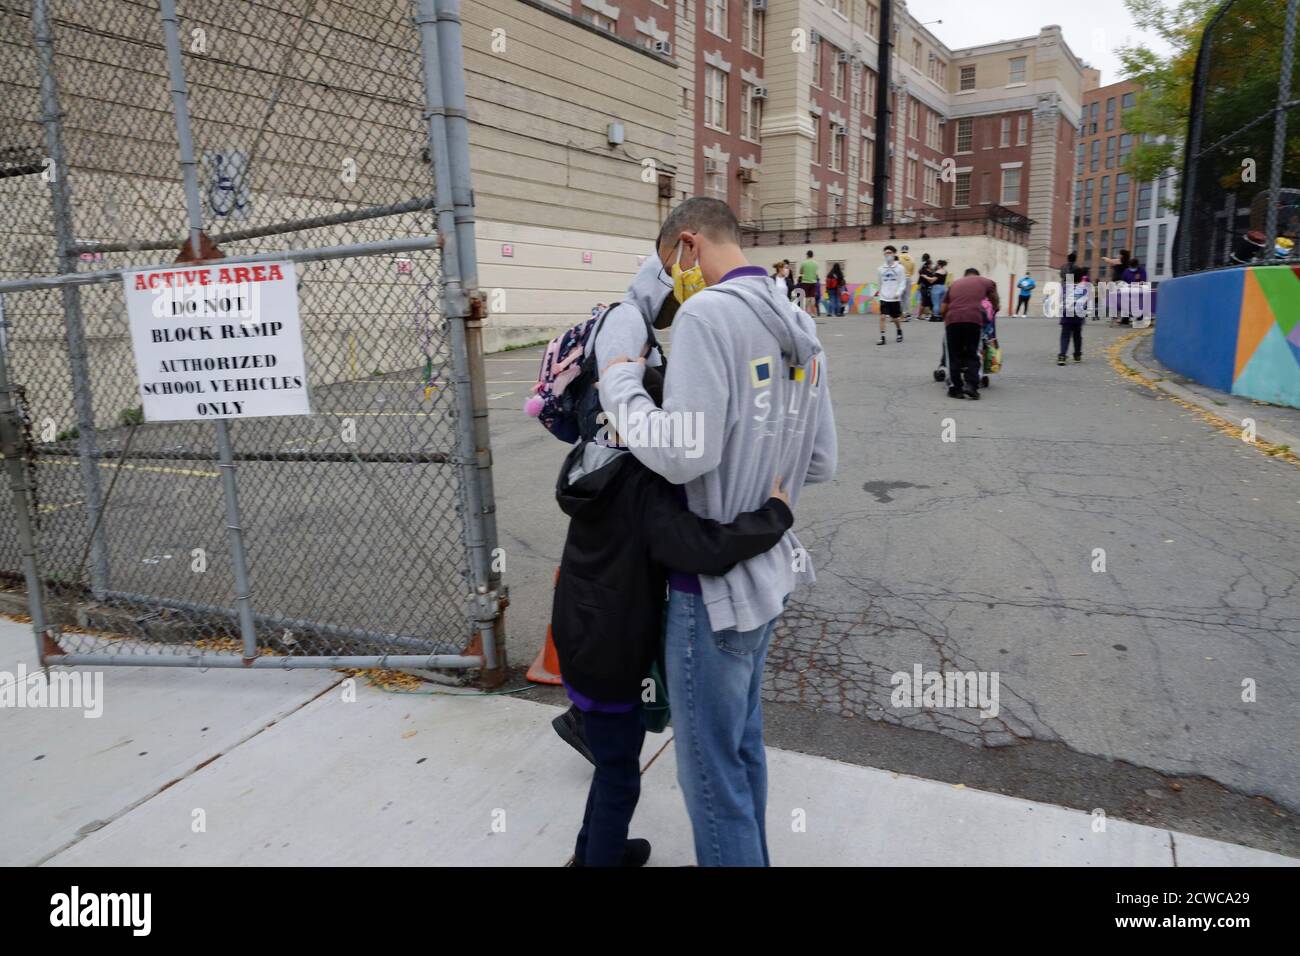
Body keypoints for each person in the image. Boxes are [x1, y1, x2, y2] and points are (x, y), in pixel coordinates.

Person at [600, 197, 837, 866]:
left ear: (688, 245)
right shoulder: (798, 319)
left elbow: (684, 451)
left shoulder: (707, 315)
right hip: (769, 572)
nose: (674, 280)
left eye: (670, 262)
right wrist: (764, 474)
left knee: (708, 777)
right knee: (740, 752)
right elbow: (822, 459)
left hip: (710, 591)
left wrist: (622, 387)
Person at [553, 411, 794, 867]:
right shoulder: (644, 484)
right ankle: (601, 858)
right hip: (613, 654)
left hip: (581, 636)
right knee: (621, 778)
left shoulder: (592, 463)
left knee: (610, 767)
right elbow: (697, 547)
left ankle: (593, 851)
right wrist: (773, 516)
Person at [941, 267, 999, 399]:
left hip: (953, 320)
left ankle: (956, 388)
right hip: (973, 319)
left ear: (964, 275)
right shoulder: (986, 281)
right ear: (977, 275)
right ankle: (971, 386)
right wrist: (995, 307)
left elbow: (943, 308)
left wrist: (948, 322)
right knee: (973, 353)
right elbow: (994, 297)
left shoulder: (954, 284)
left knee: (953, 354)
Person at [875, 244, 907, 345]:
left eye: (889, 253)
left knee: (895, 318)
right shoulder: (880, 269)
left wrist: (898, 293)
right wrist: (880, 293)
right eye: (885, 253)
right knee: (882, 317)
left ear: (894, 254)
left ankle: (899, 331)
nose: (887, 255)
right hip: (884, 297)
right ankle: (882, 337)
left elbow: (902, 282)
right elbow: (880, 282)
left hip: (894, 298)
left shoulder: (900, 268)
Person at [1060, 273, 1089, 364]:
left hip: (1066, 315)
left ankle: (1062, 356)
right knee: (1077, 336)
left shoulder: (1065, 288)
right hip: (1078, 316)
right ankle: (1077, 355)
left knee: (1065, 336)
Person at [797, 250, 819, 316]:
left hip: (805, 282)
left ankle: (807, 312)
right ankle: (813, 313)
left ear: (807, 255)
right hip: (813, 282)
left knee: (806, 297)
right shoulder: (816, 263)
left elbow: (800, 272)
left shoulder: (804, 263)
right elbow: (816, 272)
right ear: (812, 255)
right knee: (812, 297)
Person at [897, 244, 916, 320]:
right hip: (908, 278)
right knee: (907, 296)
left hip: (900, 278)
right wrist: (909, 275)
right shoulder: (911, 258)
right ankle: (907, 313)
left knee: (900, 296)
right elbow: (913, 270)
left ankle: (900, 313)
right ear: (907, 250)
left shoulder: (898, 257)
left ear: (901, 249)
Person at [917, 254, 935, 318]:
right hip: (924, 286)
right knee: (924, 301)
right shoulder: (924, 270)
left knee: (927, 301)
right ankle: (920, 315)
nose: (932, 265)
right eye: (931, 264)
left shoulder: (930, 270)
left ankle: (927, 314)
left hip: (926, 286)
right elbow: (922, 275)